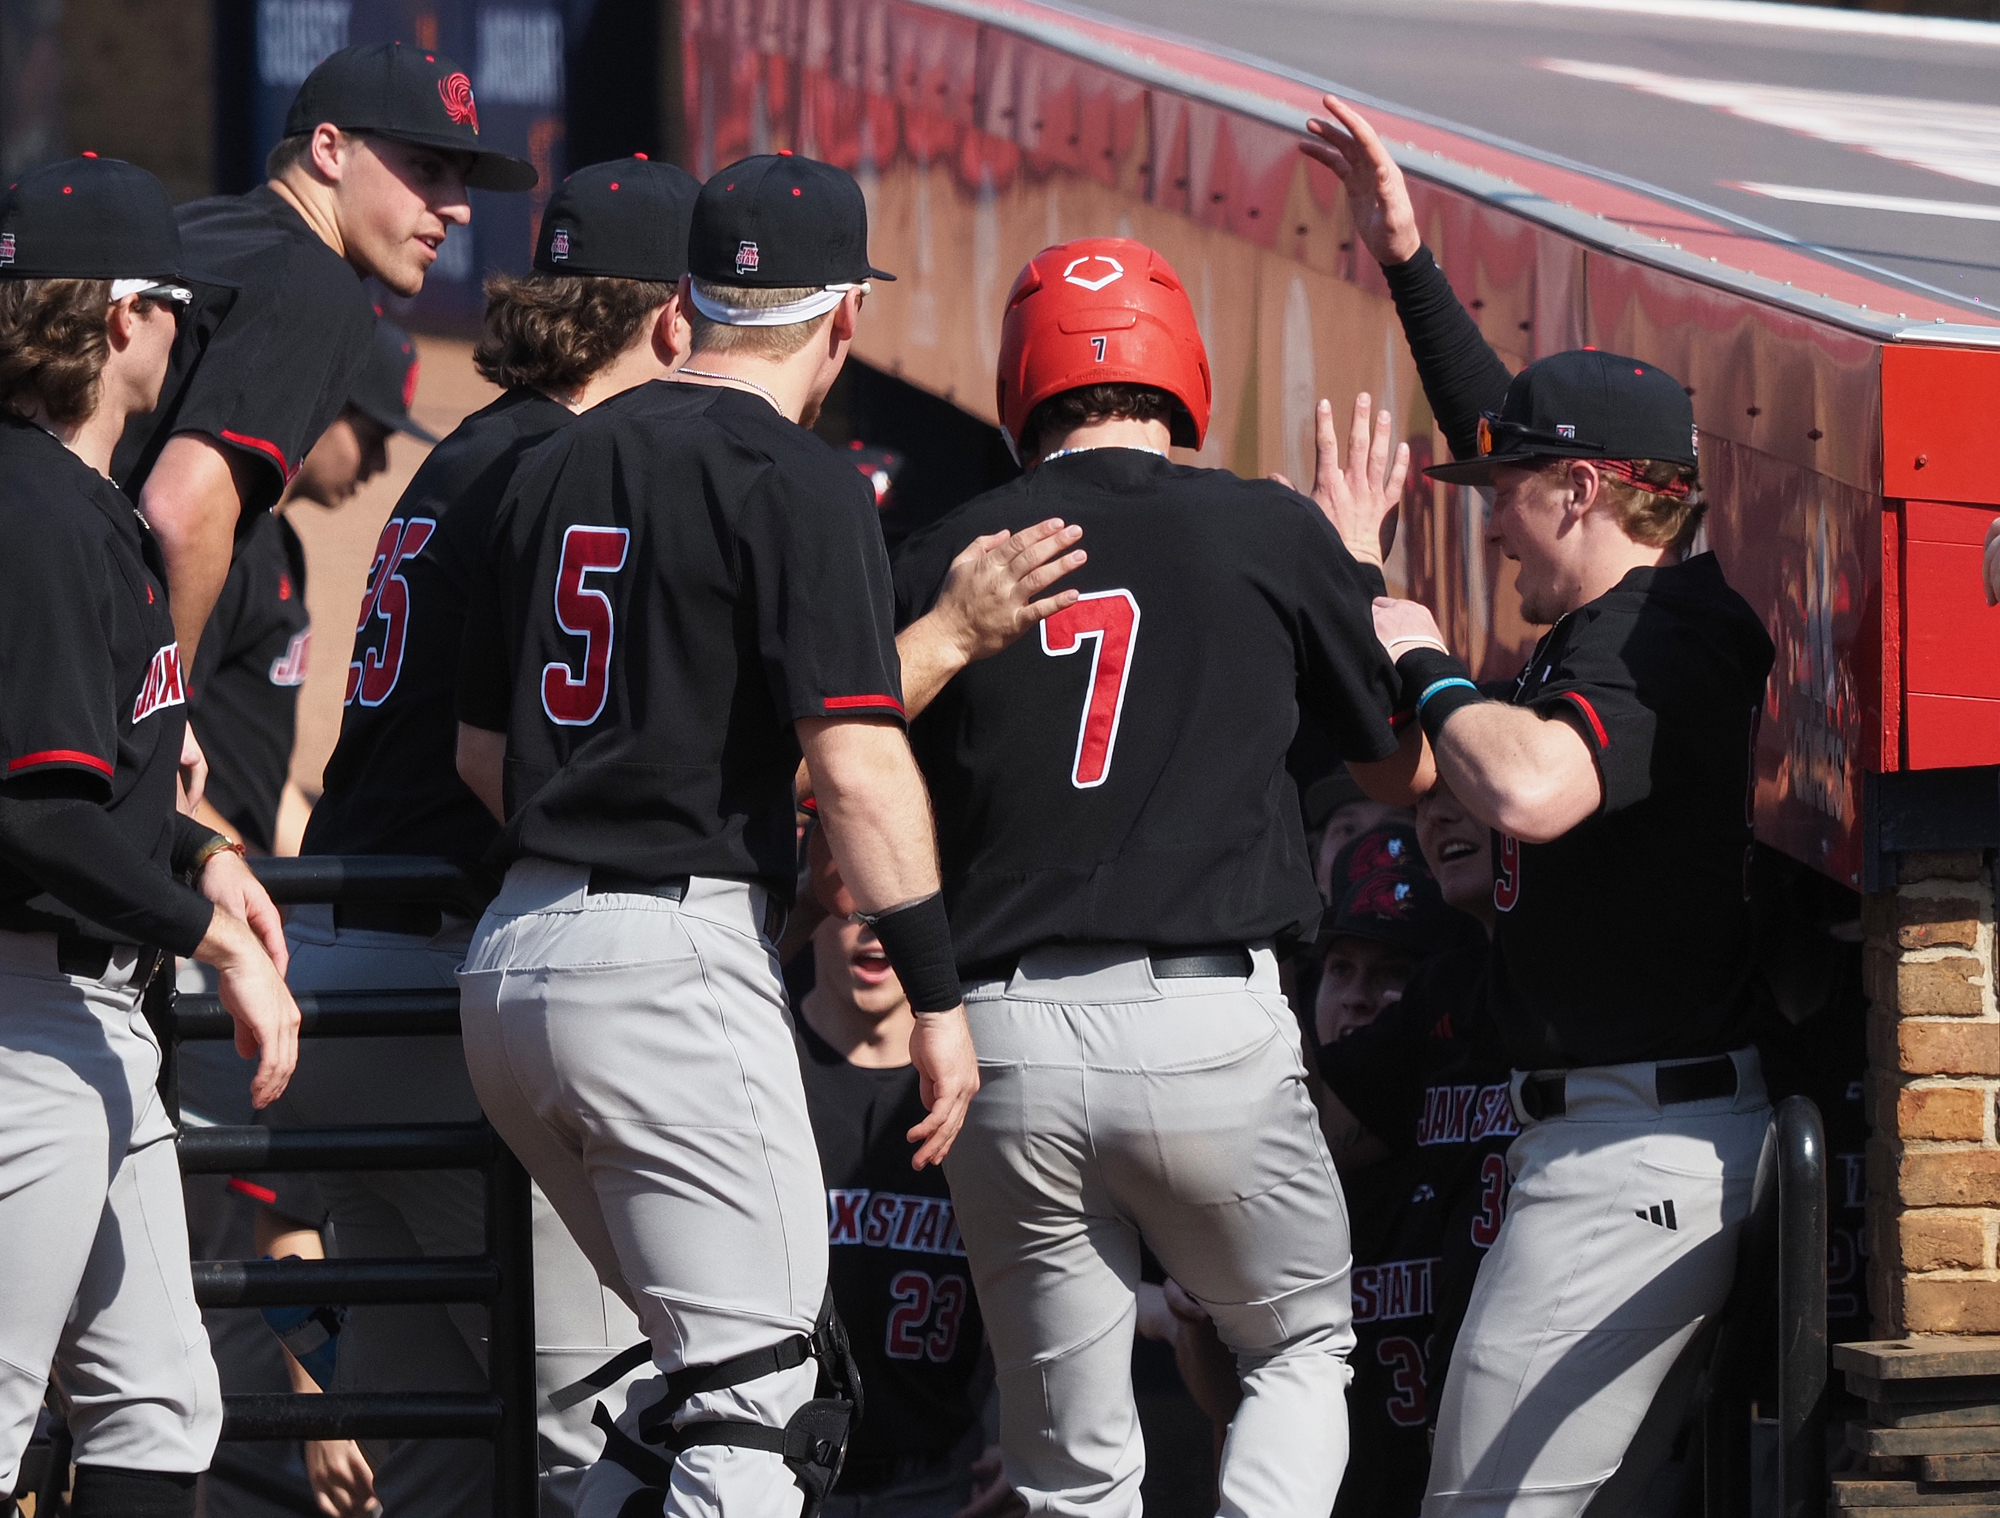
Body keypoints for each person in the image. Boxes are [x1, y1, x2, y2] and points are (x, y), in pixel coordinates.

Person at [452, 153, 981, 1518]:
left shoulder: (547, 459)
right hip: (666, 964)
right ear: (845, 318)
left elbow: (481, 756)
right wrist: (936, 992)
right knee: (768, 1399)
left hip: (513, 960)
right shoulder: (799, 479)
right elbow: (859, 765)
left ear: (684, 303)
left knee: (695, 1385)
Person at [890, 234, 1426, 1518]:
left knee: (1071, 1467)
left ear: (1024, 376)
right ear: (1177, 367)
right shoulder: (1264, 525)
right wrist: (1347, 566)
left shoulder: (940, 549)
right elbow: (1396, 775)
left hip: (998, 1032)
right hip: (1204, 1021)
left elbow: (851, 785)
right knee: (1299, 1346)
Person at [1304, 93, 1777, 1518]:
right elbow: (1499, 424)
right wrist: (1406, 261)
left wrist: (1418, 649)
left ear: (1585, 492)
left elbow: (1528, 785)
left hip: (1640, 1141)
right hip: (1606, 1131)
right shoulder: (1617, 604)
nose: (1487, 512)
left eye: (1512, 491)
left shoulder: (1663, 633)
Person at [263, 157, 704, 1518]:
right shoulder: (569, 460)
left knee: (449, 1451)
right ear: (671, 320)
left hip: (340, 978)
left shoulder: (479, 441)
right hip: (428, 994)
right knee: (617, 1430)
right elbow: (497, 757)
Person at [0, 153, 300, 1518]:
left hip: (86, 1008)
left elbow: (105, 787)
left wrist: (202, 854)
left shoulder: (77, 506)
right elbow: (34, 811)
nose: (185, 339)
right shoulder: (40, 513)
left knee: (162, 1396)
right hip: (29, 1012)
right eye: (176, 311)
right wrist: (213, 941)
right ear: (120, 319)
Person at [113, 39, 534, 665]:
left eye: (462, 180)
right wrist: (160, 699)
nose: (459, 208)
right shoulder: (315, 283)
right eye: (426, 168)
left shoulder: (205, 228)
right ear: (329, 151)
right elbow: (181, 508)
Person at [792, 824, 996, 1517]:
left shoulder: (982, 1084)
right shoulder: (757, 1068)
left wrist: (1018, 1428)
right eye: (853, 908)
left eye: (894, 914)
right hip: (779, 1478)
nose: (872, 934)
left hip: (936, 1479)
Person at [189, 316, 433, 858]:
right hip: (195, 885)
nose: (380, 464)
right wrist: (231, 872)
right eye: (373, 436)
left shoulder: (283, 549)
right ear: (323, 405)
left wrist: (330, 877)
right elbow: (159, 755)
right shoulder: (220, 551)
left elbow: (265, 788)